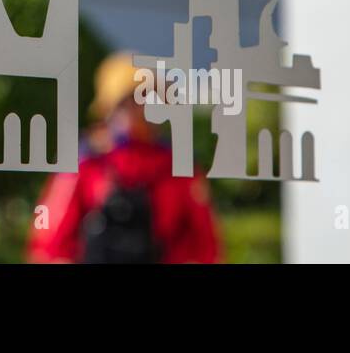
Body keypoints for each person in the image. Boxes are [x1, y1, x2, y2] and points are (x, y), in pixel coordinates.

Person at [27, 53, 221, 263]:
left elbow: (204, 246)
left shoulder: (179, 166)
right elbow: (49, 246)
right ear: (110, 107)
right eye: (134, 98)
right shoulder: (86, 161)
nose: (145, 107)